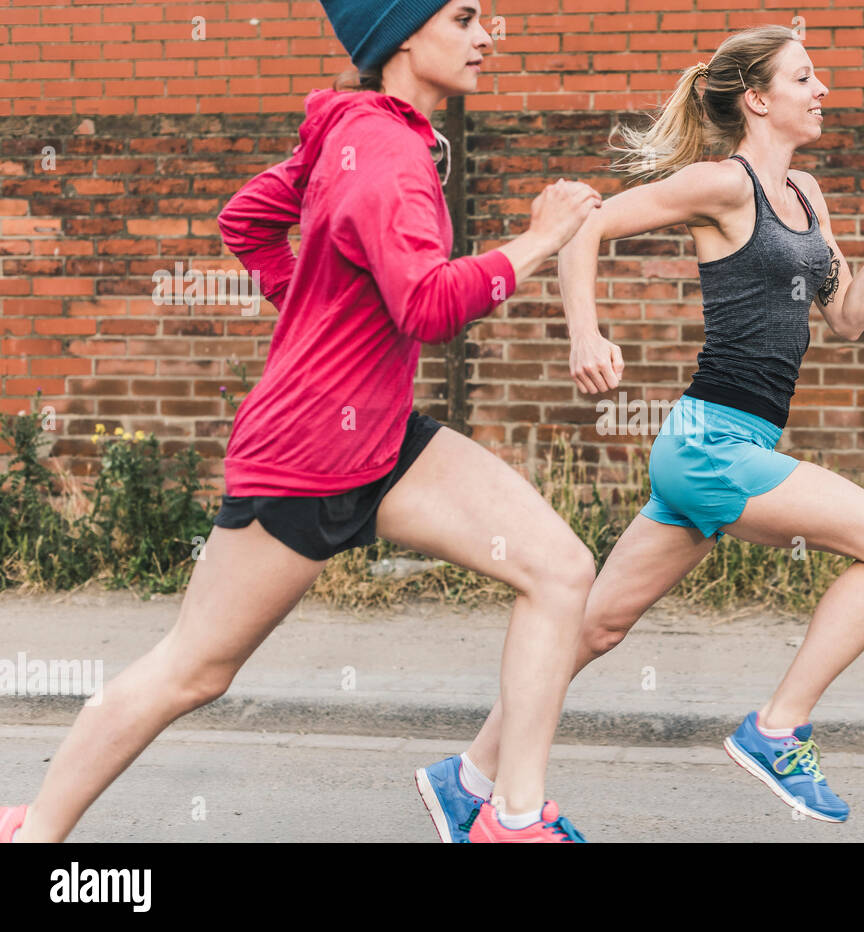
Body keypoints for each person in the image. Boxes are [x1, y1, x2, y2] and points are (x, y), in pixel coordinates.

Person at [1, 0, 599, 845]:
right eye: (463, 17)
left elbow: (245, 222)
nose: (486, 36)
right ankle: (37, 832)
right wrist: (539, 240)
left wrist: (316, 318)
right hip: (307, 452)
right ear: (399, 36)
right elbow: (429, 306)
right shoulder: (386, 153)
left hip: (382, 435)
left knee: (560, 570)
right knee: (194, 668)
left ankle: (508, 814)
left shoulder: (361, 130)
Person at [417, 24, 864, 828]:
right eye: (805, 78)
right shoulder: (724, 185)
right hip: (710, 447)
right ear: (759, 99)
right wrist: (585, 334)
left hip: (733, 445)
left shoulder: (807, 196)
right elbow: (583, 223)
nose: (822, 90)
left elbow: (849, 318)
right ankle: (776, 729)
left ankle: (471, 775)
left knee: (596, 626)